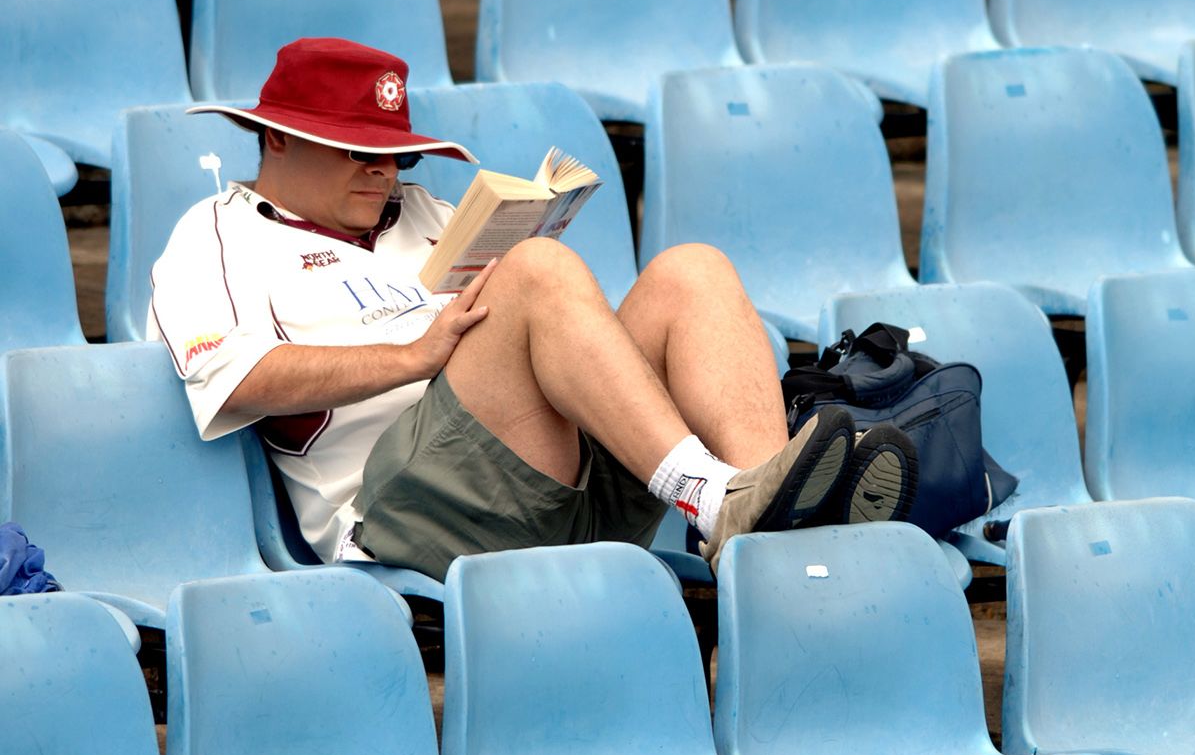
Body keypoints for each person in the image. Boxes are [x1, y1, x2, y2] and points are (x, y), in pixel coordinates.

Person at [149, 37, 918, 579]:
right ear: (278, 141)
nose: (384, 171)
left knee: (694, 271)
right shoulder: (215, 234)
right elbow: (235, 377)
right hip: (404, 515)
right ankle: (713, 500)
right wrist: (412, 357)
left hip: (545, 474)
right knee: (536, 272)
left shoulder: (422, 210)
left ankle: (761, 526)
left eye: (395, 152)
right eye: (358, 149)